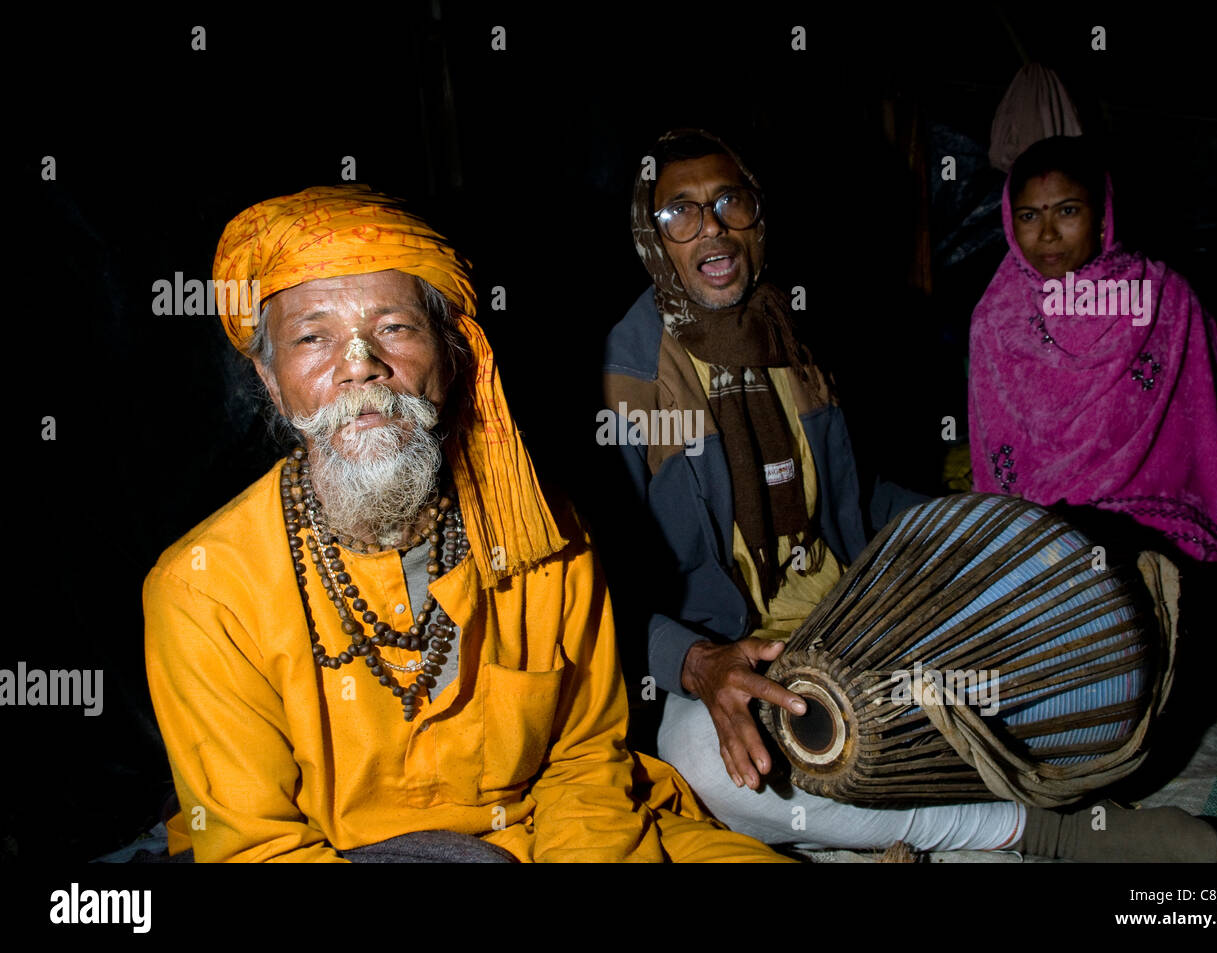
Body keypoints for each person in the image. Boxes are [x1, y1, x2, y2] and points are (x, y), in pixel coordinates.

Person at [602, 130, 1217, 860]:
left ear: (758, 216)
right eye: (681, 213)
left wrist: (980, 529)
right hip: (727, 651)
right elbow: (597, 585)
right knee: (700, 763)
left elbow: (854, 504)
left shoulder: (785, 328)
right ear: (653, 240)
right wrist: (697, 663)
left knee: (1052, 578)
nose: (711, 226)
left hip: (851, 616)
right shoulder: (625, 378)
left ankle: (1030, 775)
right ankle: (1031, 828)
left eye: (729, 201)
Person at [142, 184, 787, 863]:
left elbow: (585, 763)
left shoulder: (547, 536)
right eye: (312, 337)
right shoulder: (203, 591)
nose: (360, 363)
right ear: (271, 382)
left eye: (394, 327)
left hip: (550, 836)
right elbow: (258, 850)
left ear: (452, 356)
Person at [968, 135, 1217, 577]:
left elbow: (1206, 433)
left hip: (1157, 518)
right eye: (1029, 216)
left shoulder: (1163, 299)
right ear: (1009, 222)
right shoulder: (997, 316)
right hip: (1038, 523)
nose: (1048, 233)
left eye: (1068, 211)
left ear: (1102, 218)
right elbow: (994, 454)